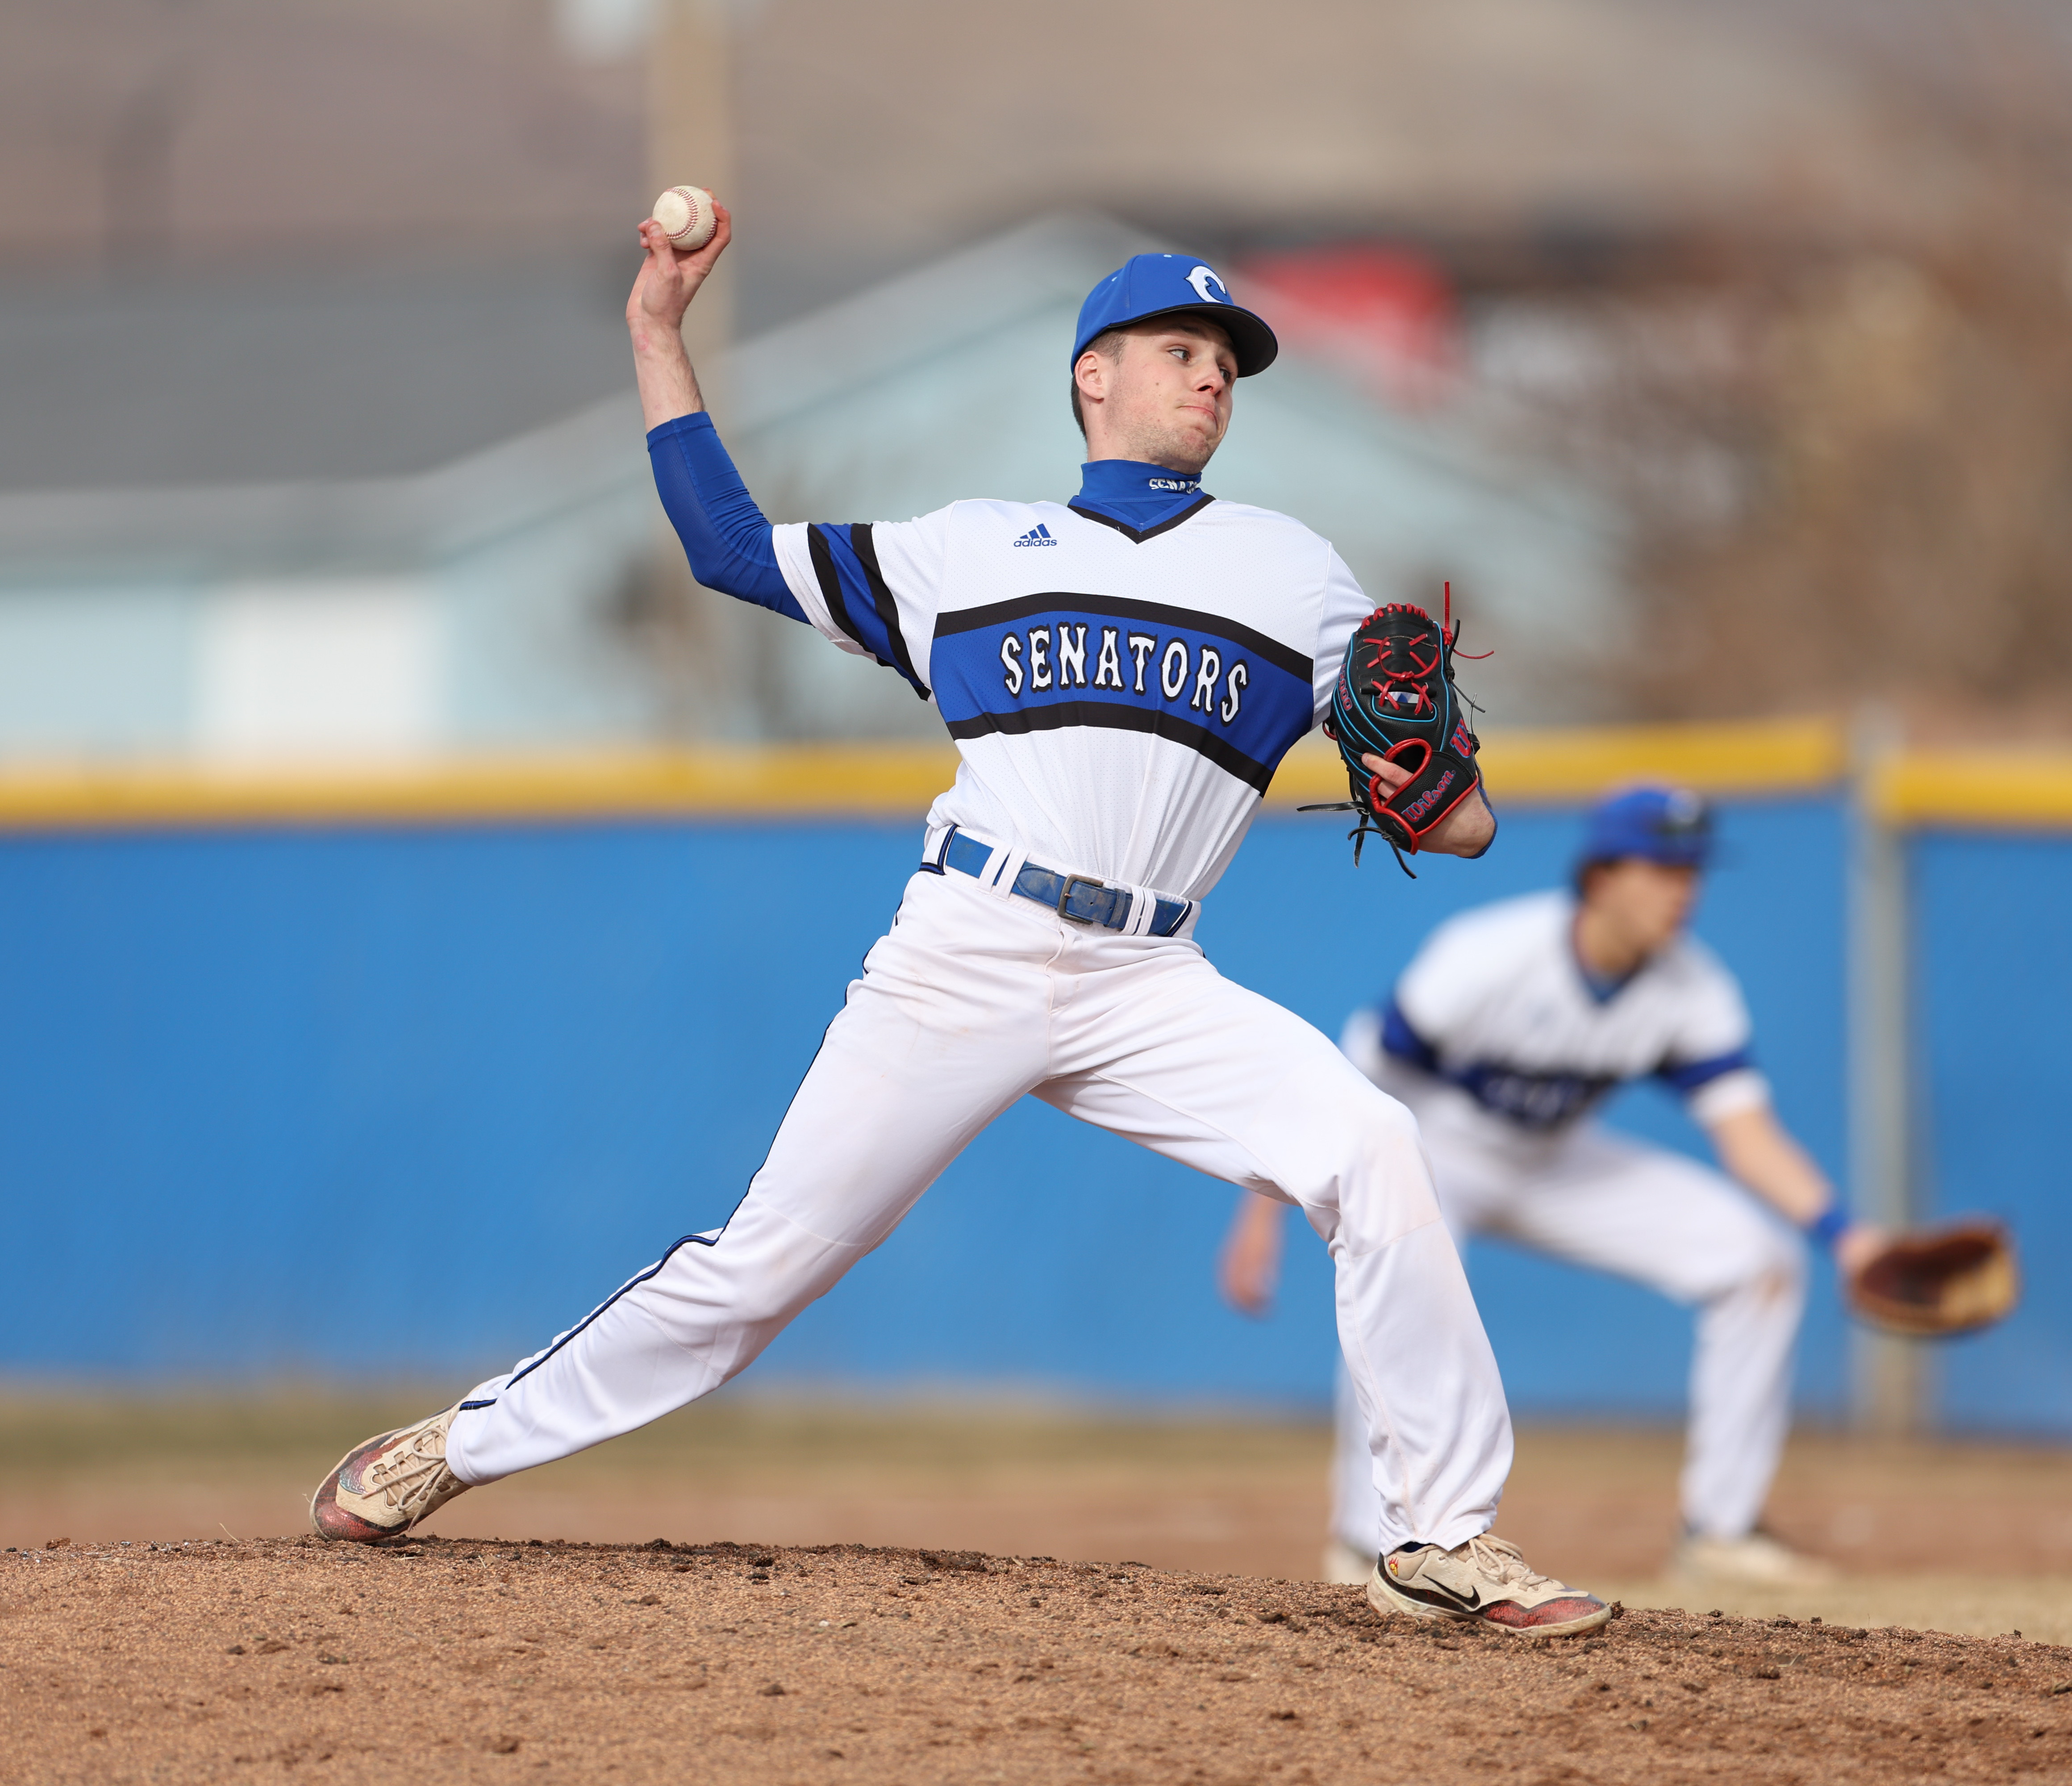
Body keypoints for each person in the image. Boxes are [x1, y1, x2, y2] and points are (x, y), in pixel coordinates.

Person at [308, 198, 1613, 1636]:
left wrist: (1424, 768)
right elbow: (728, 549)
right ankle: (460, 1445)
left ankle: (1442, 1537)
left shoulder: (1297, 578)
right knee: (762, 1271)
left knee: (1371, 1146)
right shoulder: (970, 551)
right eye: (1178, 348)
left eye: (1226, 361)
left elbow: (1462, 822)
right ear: (1091, 376)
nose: (1209, 377)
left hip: (1146, 976)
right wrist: (655, 333)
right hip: (965, 950)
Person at [1219, 786, 1880, 1587]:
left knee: (1759, 1260)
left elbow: (1747, 1137)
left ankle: (1720, 1528)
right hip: (1436, 1152)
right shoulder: (1488, 956)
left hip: (1552, 1162)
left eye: (1693, 870)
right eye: (1662, 867)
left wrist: (1848, 1238)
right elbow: (1343, 1089)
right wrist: (1261, 1214)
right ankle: (1368, 1542)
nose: (1683, 889)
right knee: (1402, 1281)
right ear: (1600, 875)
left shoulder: (1691, 989)